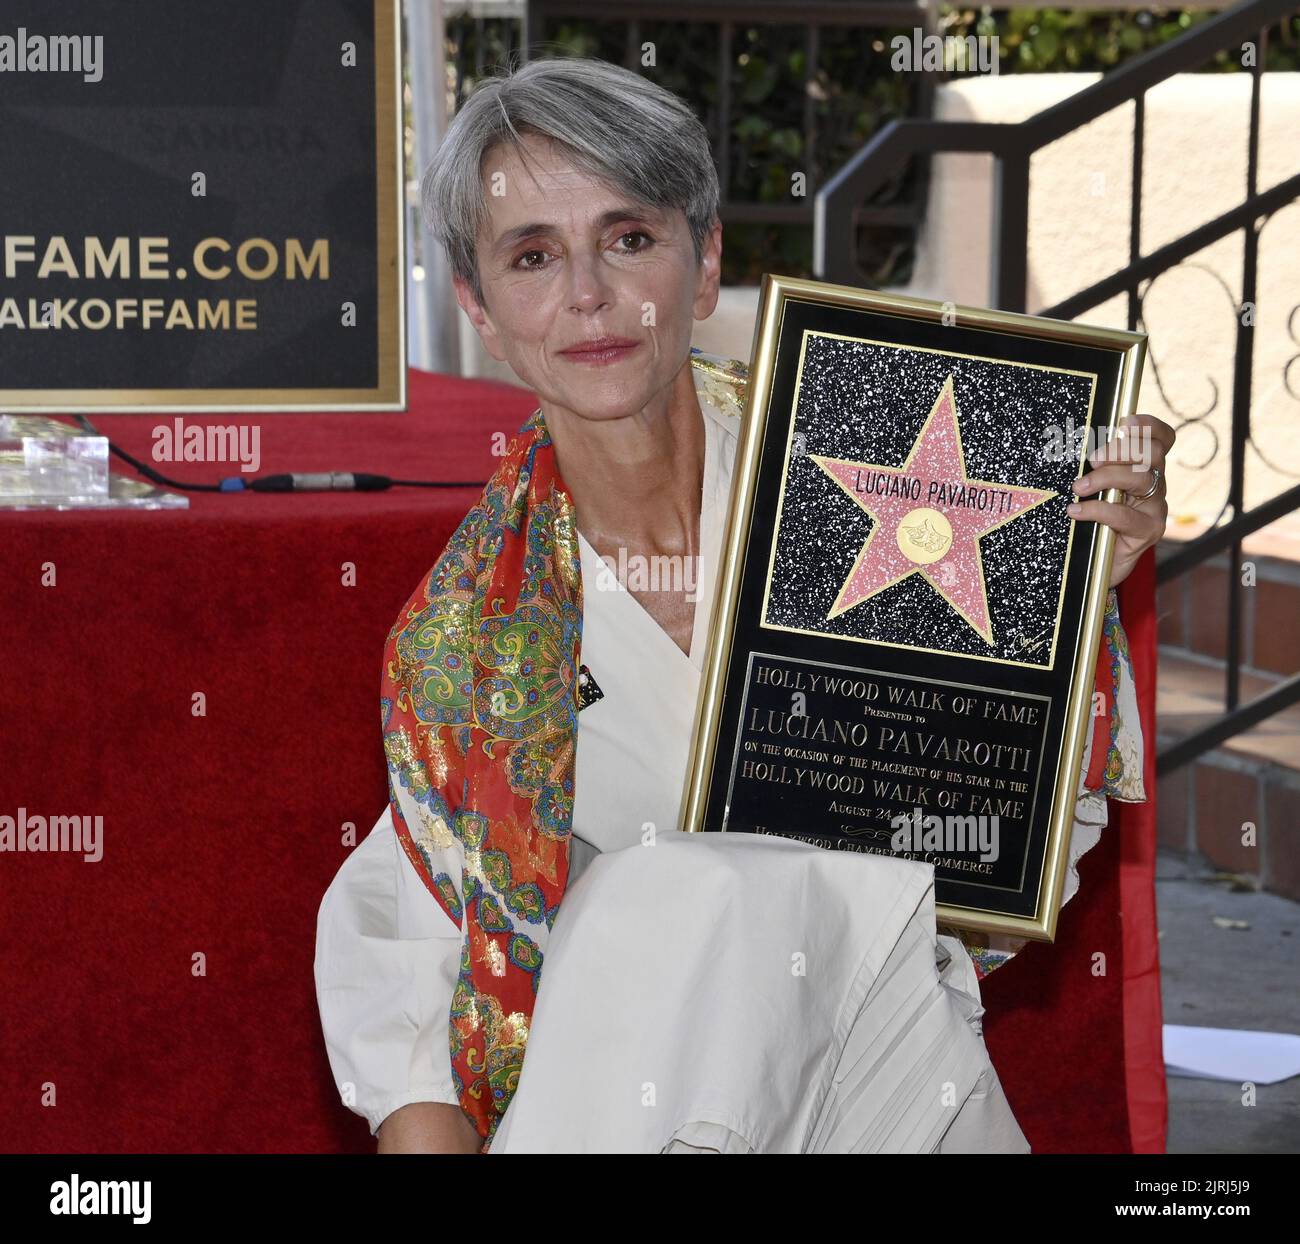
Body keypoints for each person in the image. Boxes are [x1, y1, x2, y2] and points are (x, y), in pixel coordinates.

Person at [313, 57, 1173, 1154]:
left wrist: (1059, 593)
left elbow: (1003, 852)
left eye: (628, 237)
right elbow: (416, 996)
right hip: (627, 1110)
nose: (588, 293)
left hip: (878, 1056)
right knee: (666, 895)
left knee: (720, 894)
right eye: (533, 255)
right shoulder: (465, 644)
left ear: (704, 256)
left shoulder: (888, 480)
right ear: (480, 309)